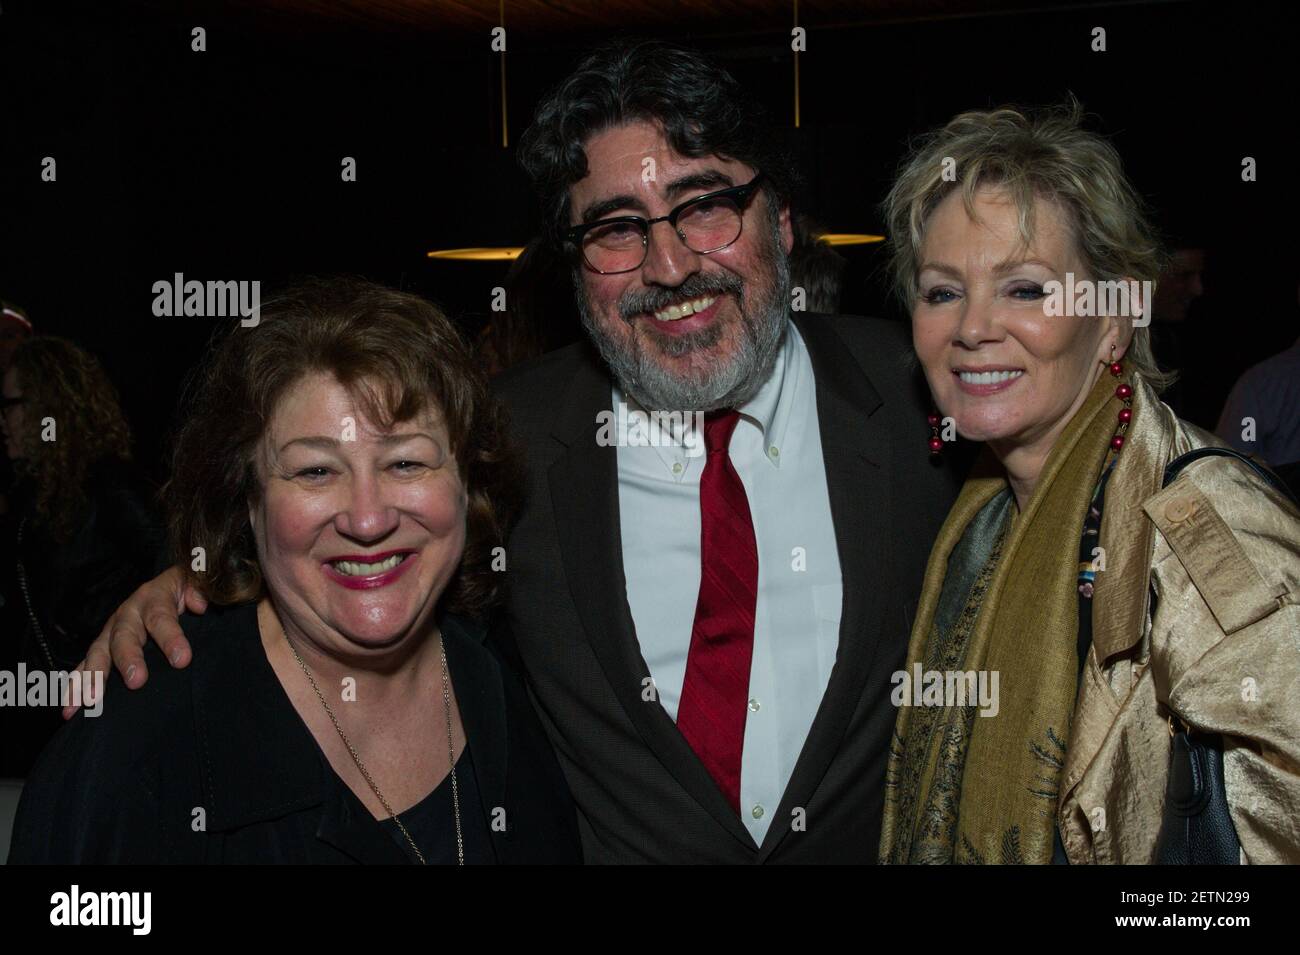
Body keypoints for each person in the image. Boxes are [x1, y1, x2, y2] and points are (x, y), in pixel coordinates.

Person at [66, 40, 965, 864]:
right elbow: (363, 536)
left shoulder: (926, 395)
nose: (671, 265)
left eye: (706, 206)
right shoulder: (505, 440)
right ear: (573, 265)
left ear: (783, 218)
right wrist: (198, 589)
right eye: (617, 228)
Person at [9, 279, 580, 864]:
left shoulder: (521, 679)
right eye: (314, 472)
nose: (367, 518)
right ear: (249, 503)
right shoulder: (137, 755)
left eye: (406, 461)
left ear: (467, 485)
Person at [876, 104, 1300, 864]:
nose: (972, 327)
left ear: (1112, 318)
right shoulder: (983, 521)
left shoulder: (1206, 529)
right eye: (942, 291)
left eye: (1025, 289)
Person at [0, 337, 168, 774]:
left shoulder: (109, 486)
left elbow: (176, 572)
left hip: (95, 717)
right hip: (36, 720)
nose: (4, 420)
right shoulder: (30, 499)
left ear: (44, 407)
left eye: (11, 404)